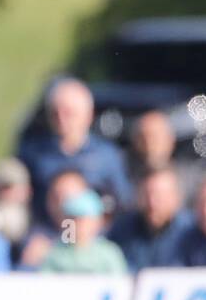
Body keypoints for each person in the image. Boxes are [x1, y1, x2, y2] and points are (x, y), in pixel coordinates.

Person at [18, 78, 132, 225]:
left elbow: (123, 202)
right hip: (46, 235)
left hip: (92, 237)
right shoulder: (34, 154)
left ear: (88, 115)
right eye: (55, 113)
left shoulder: (107, 156)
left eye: (69, 113)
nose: (61, 119)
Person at [107, 166, 192, 271]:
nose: (152, 203)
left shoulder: (191, 233)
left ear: (176, 197)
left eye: (159, 196)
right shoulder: (123, 229)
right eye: (147, 195)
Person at [39, 189, 129, 274]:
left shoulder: (109, 254)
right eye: (72, 218)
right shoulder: (55, 253)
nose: (77, 224)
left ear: (97, 222)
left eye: (82, 219)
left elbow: (119, 284)